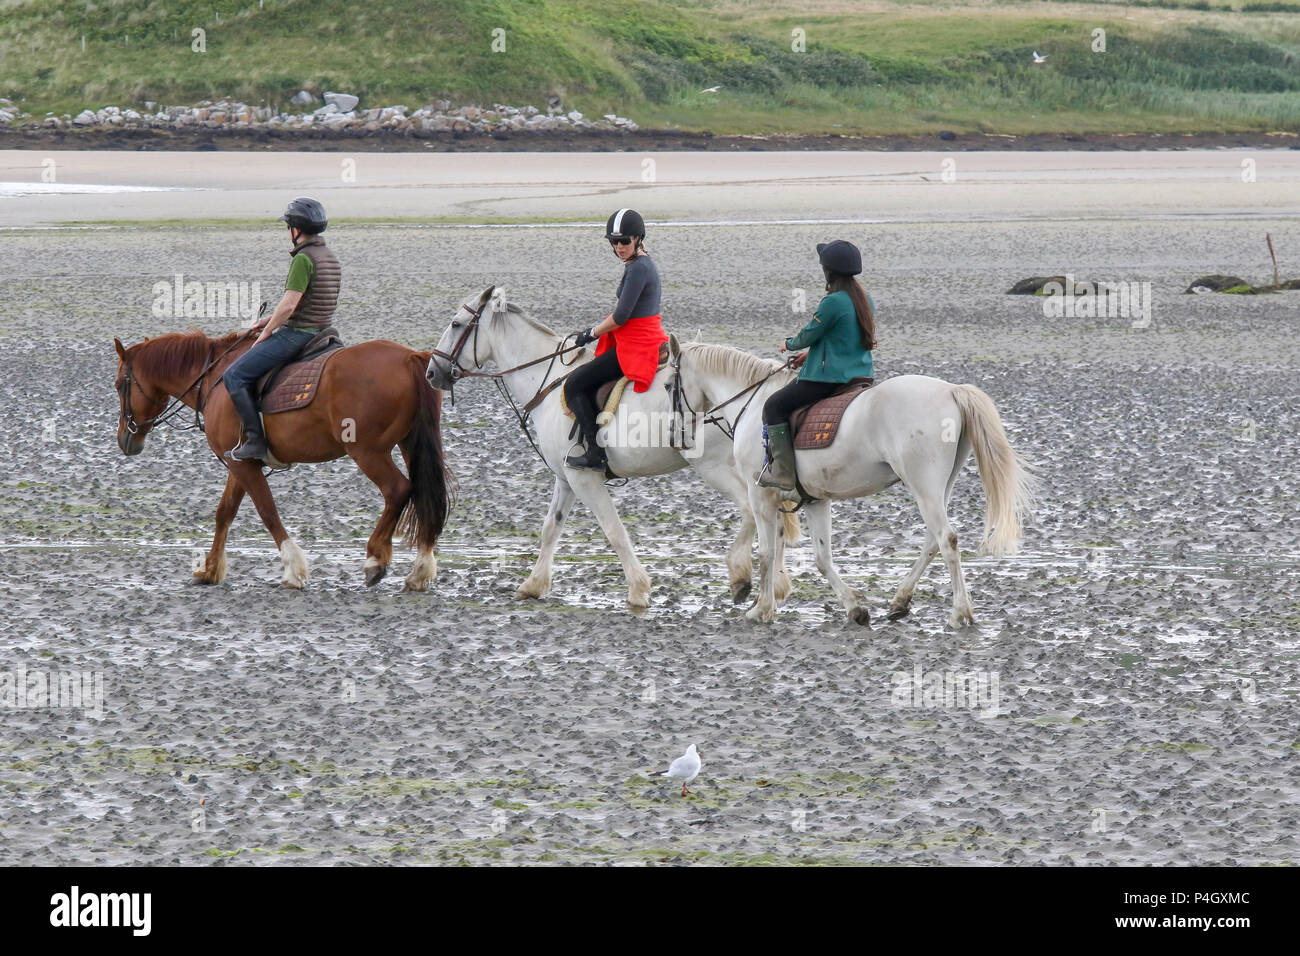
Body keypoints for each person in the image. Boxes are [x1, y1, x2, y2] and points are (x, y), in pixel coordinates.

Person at [223, 197, 340, 462]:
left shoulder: (303, 258)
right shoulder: (329, 256)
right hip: (325, 330)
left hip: (299, 334)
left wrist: (266, 333)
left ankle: (255, 440)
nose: (288, 231)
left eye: (288, 226)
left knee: (234, 376)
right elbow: (307, 300)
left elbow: (289, 306)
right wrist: (267, 320)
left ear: (296, 229)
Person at [758, 239, 875, 491]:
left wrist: (789, 345)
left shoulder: (833, 302)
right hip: (860, 375)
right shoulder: (865, 299)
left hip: (828, 379)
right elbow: (842, 339)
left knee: (774, 406)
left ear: (828, 270)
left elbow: (811, 333)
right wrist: (809, 355)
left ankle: (782, 472)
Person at [563, 208, 669, 470]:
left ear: (638, 239)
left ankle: (596, 454)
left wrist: (591, 334)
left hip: (637, 345)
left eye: (625, 241)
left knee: (575, 384)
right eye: (614, 241)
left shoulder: (639, 268)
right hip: (636, 337)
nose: (619, 246)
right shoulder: (637, 263)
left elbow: (621, 317)